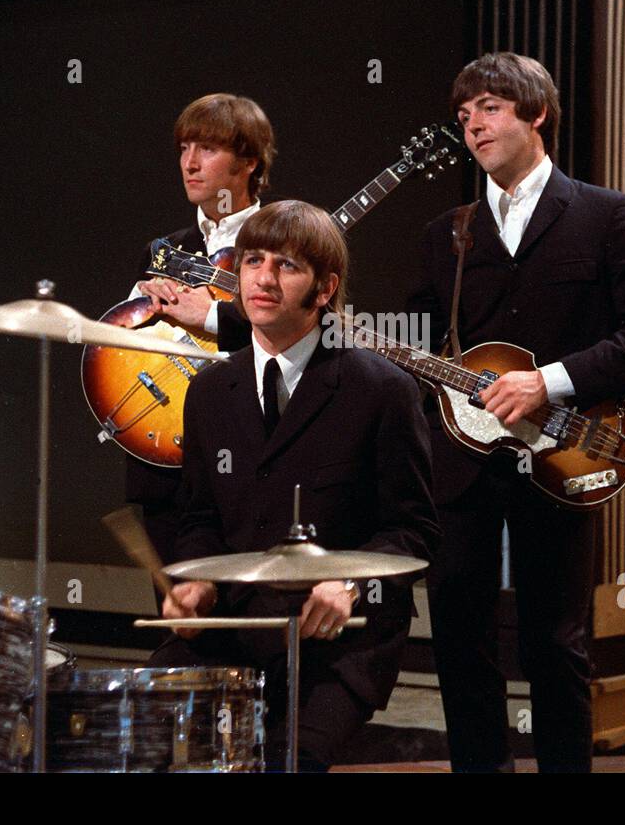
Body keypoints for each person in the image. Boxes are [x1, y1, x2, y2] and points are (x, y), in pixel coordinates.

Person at [406, 53, 625, 772]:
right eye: (464, 117)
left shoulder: (605, 214)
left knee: (556, 642)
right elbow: (417, 349)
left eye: (489, 107)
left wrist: (547, 382)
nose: (473, 126)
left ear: (537, 114)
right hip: (461, 463)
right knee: (460, 638)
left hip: (566, 453)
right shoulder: (447, 234)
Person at [153, 200, 440, 772]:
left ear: (325, 288)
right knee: (157, 744)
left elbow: (413, 530)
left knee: (291, 760)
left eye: (286, 265)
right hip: (234, 624)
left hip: (339, 640)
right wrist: (194, 585)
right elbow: (200, 519)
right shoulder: (209, 390)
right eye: (252, 260)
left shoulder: (380, 389)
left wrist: (351, 583)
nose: (262, 278)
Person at [124, 93, 274, 561]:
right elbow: (130, 352)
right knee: (178, 623)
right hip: (170, 462)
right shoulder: (164, 249)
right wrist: (136, 308)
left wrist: (209, 316)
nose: (190, 163)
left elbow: (307, 331)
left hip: (252, 458)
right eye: (184, 148)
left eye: (206, 149)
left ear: (249, 161)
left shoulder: (282, 239)